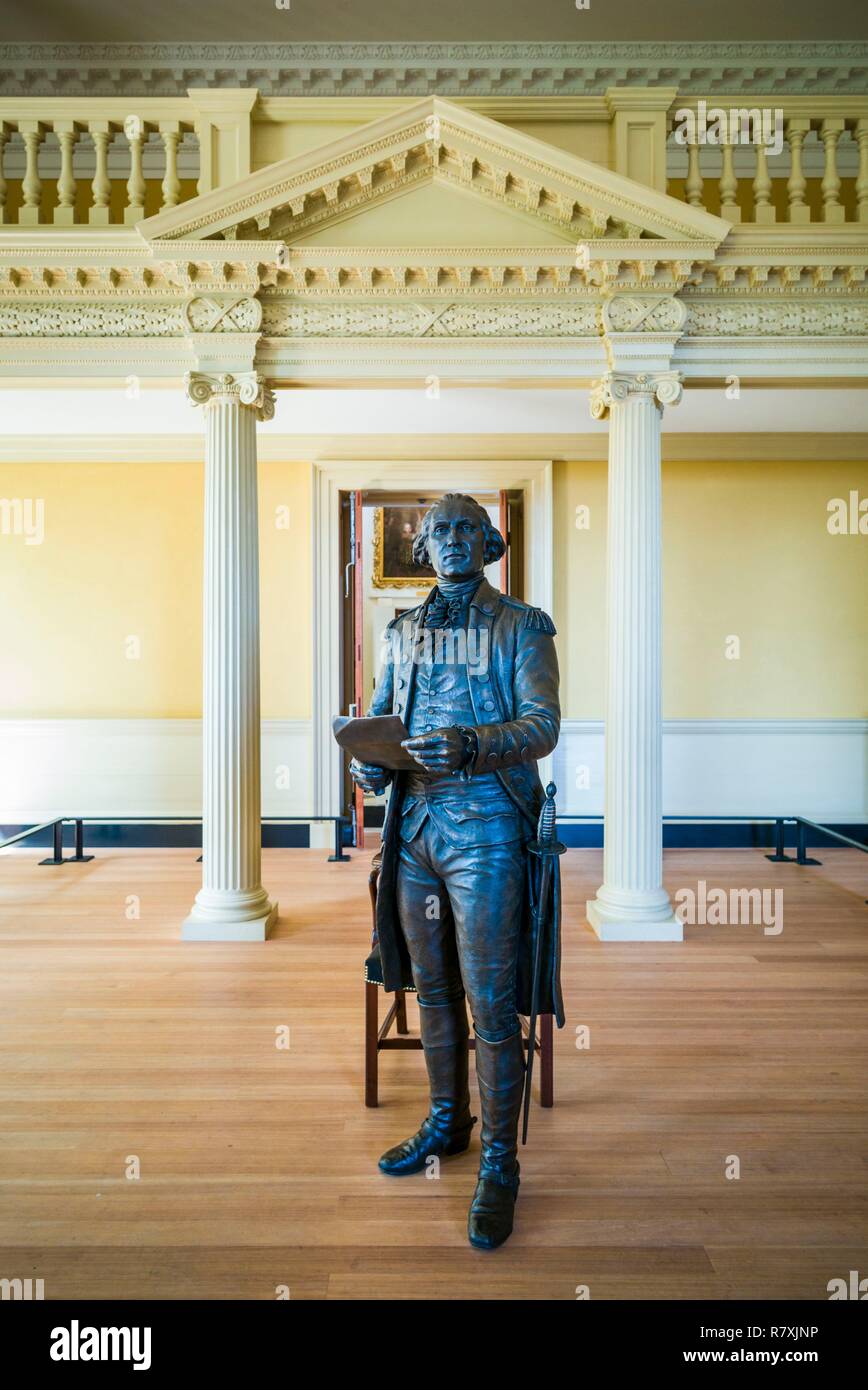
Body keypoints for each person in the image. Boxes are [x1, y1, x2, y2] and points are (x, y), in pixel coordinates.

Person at [351, 492, 562, 1249]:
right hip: (413, 830)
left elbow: (542, 725)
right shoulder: (400, 630)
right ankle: (449, 1123)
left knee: (492, 1002)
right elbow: (382, 716)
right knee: (432, 987)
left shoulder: (522, 626)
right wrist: (373, 769)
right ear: (423, 546)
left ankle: (501, 1163)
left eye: (466, 527)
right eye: (438, 529)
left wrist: (473, 744)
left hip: (488, 831)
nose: (450, 539)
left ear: (489, 542)